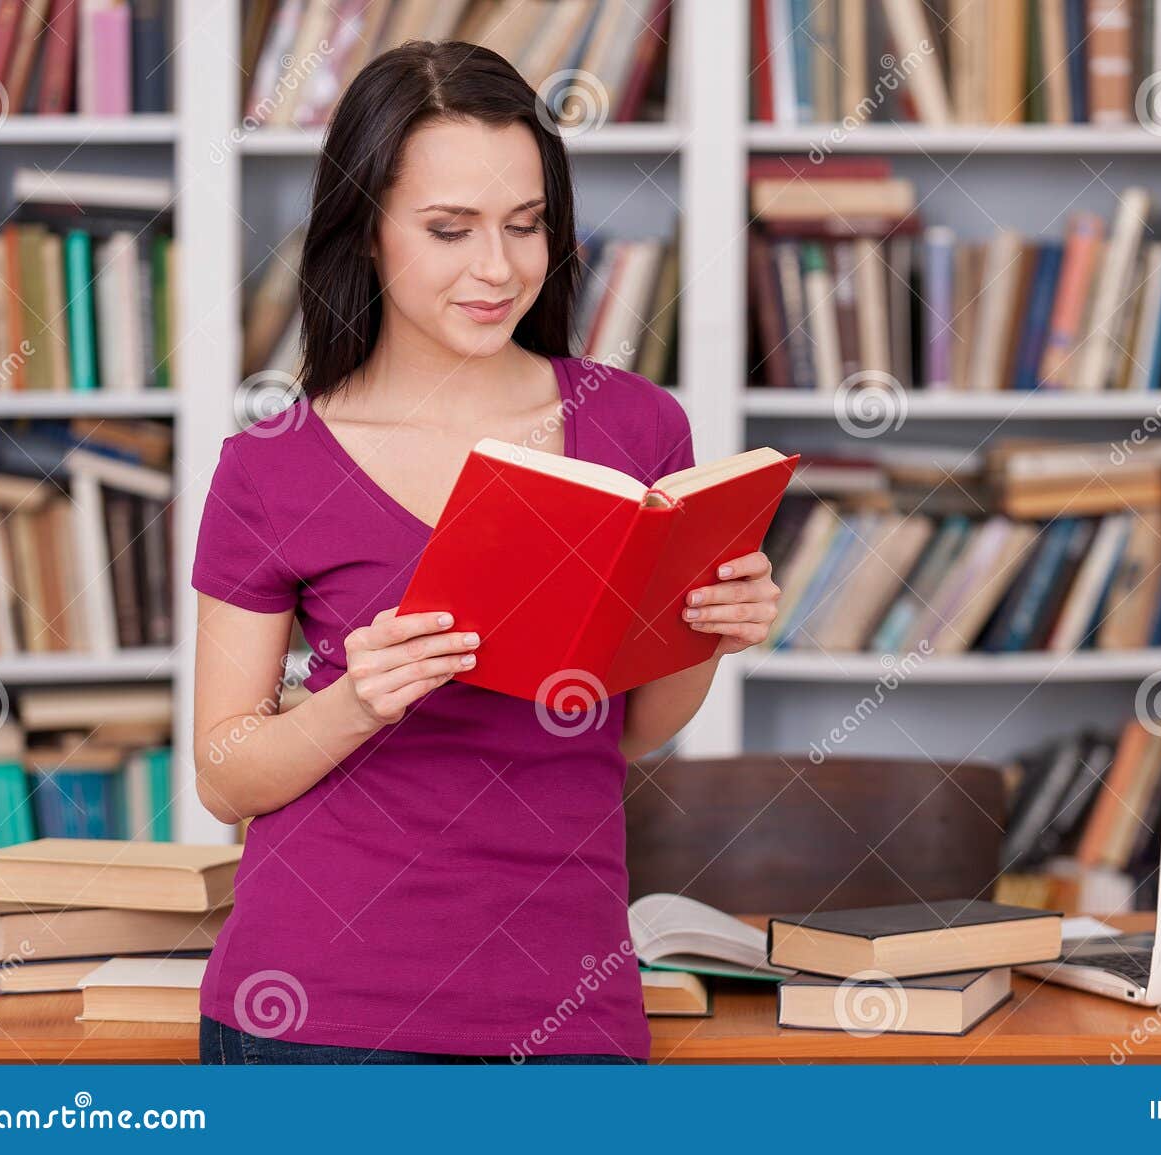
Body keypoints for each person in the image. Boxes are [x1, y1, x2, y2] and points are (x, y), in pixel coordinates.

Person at [191, 41, 780, 1065]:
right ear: (366, 232)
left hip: (569, 999)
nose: (498, 268)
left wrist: (706, 636)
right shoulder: (273, 466)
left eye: (524, 225)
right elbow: (224, 776)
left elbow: (625, 730)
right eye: (448, 230)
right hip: (322, 1005)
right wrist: (352, 702)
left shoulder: (635, 429)